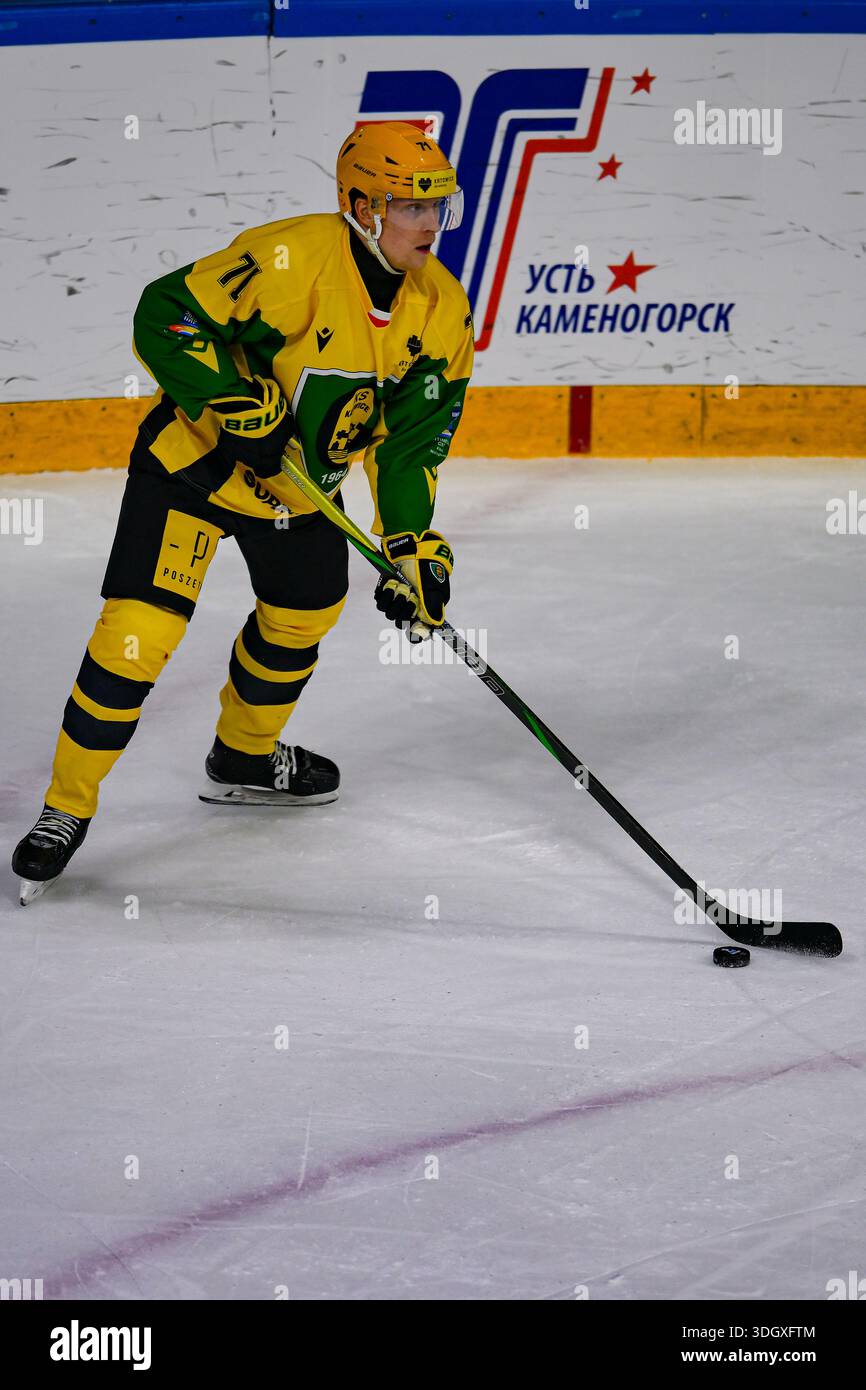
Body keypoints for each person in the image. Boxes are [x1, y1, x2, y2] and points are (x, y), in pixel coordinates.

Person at [13, 121, 474, 904]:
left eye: (440, 205)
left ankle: (244, 758)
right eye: (408, 204)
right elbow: (165, 313)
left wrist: (411, 545)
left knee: (304, 616)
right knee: (138, 635)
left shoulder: (441, 311)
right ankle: (66, 806)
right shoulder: (288, 258)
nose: (429, 223)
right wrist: (232, 405)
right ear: (361, 206)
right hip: (194, 469)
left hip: (300, 493)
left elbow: (408, 446)